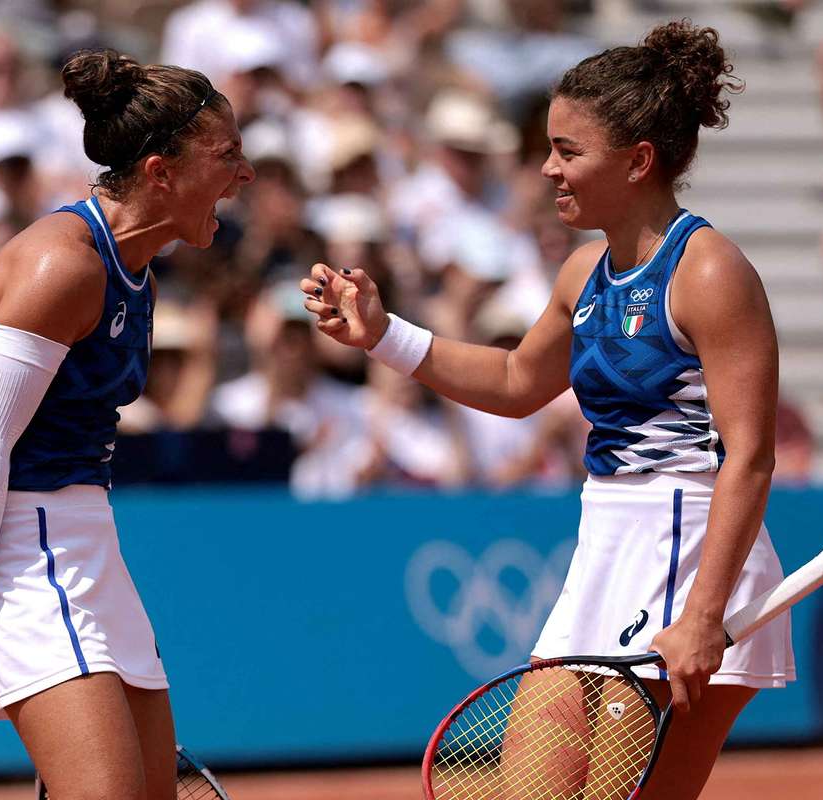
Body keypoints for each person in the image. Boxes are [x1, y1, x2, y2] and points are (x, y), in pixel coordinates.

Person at [301, 21, 793, 799]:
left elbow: (750, 456)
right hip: (606, 544)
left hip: (693, 548)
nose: (546, 167)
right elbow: (515, 382)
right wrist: (383, 335)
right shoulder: (581, 271)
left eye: (569, 150)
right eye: (549, 147)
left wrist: (702, 615)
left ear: (637, 161)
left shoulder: (711, 273)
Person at [0, 49, 254, 800]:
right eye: (226, 154)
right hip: (24, 551)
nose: (246, 173)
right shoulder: (61, 266)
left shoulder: (140, 274)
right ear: (162, 172)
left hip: (89, 544)